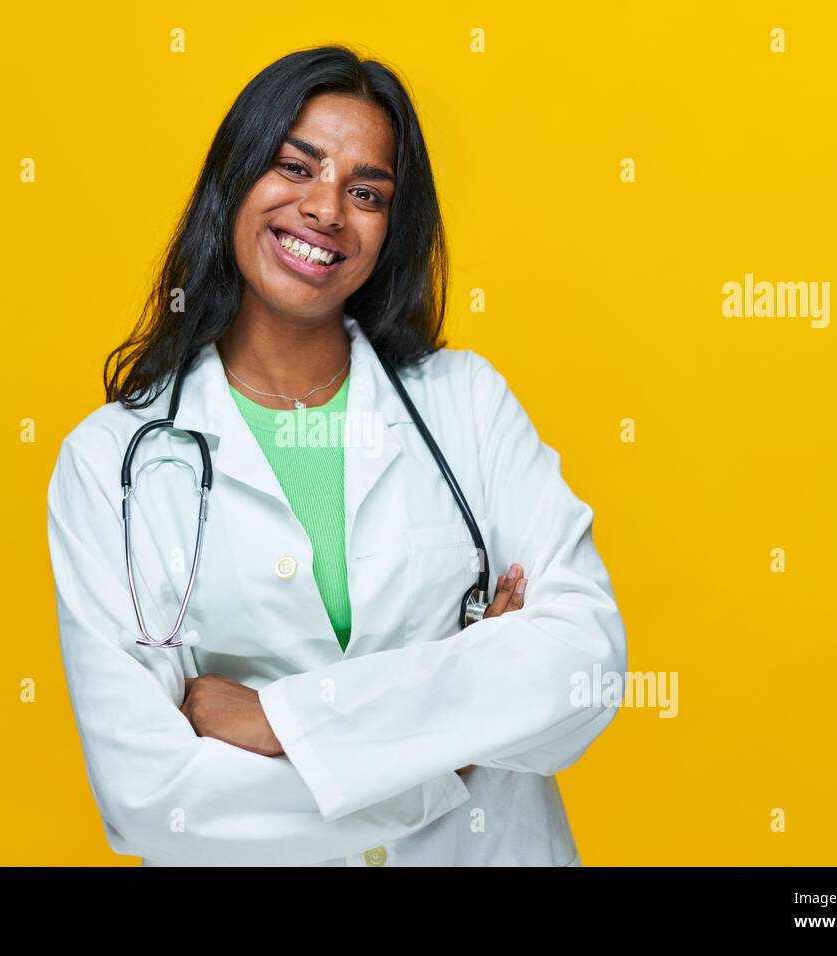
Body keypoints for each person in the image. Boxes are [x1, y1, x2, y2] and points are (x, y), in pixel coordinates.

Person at [46, 44, 626, 866]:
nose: (326, 210)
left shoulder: (466, 403)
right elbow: (152, 801)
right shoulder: (111, 463)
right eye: (295, 166)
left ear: (393, 228)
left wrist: (279, 720)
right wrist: (450, 748)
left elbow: (582, 668)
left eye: (366, 192)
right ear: (234, 179)